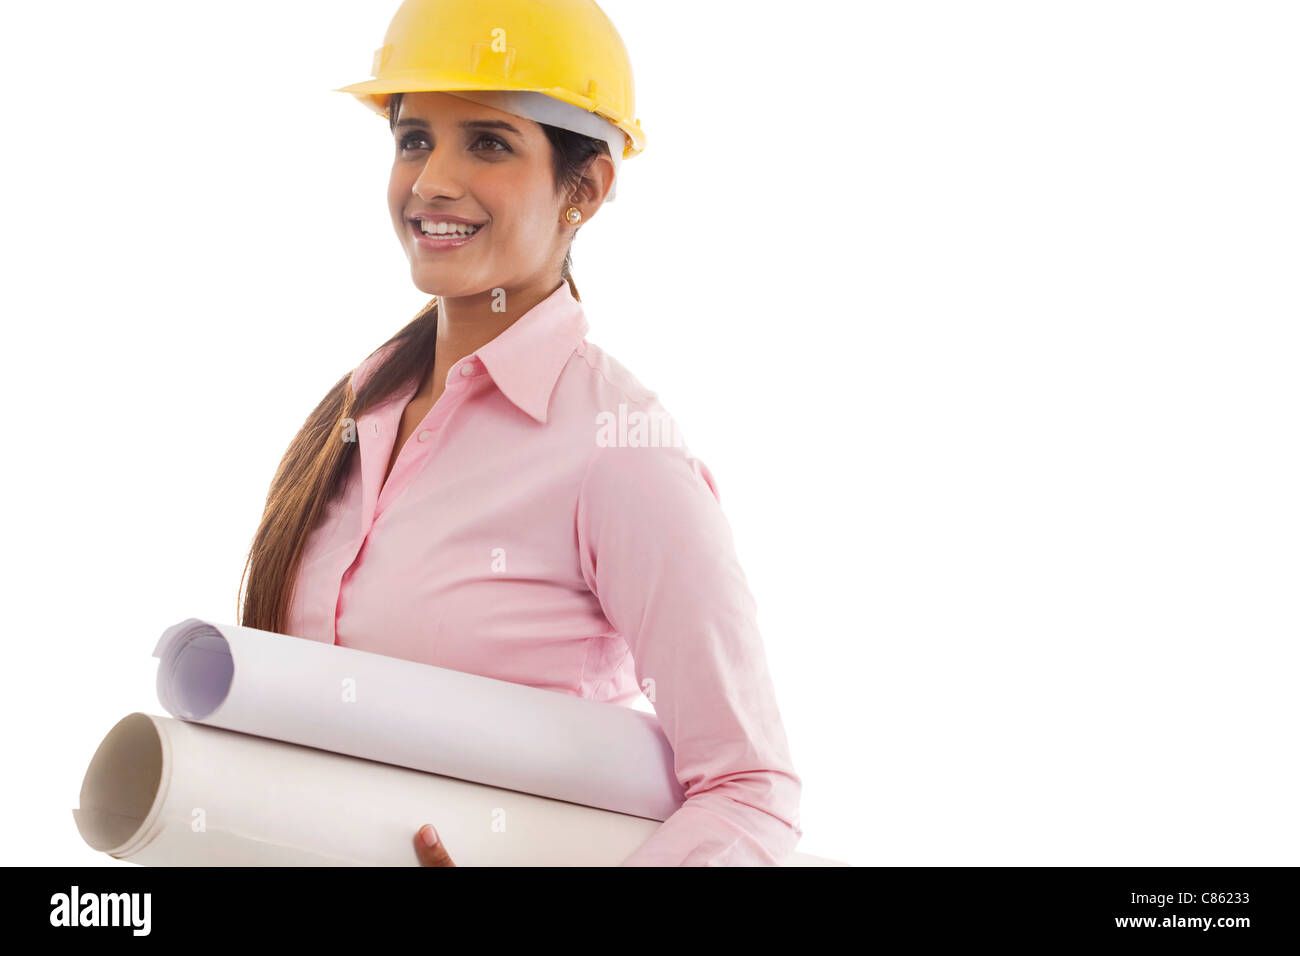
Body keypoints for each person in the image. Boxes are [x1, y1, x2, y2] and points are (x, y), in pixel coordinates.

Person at [238, 0, 802, 866]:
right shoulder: (359, 411)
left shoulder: (619, 448)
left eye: (489, 143)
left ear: (585, 187)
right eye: (414, 136)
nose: (430, 181)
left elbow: (751, 794)